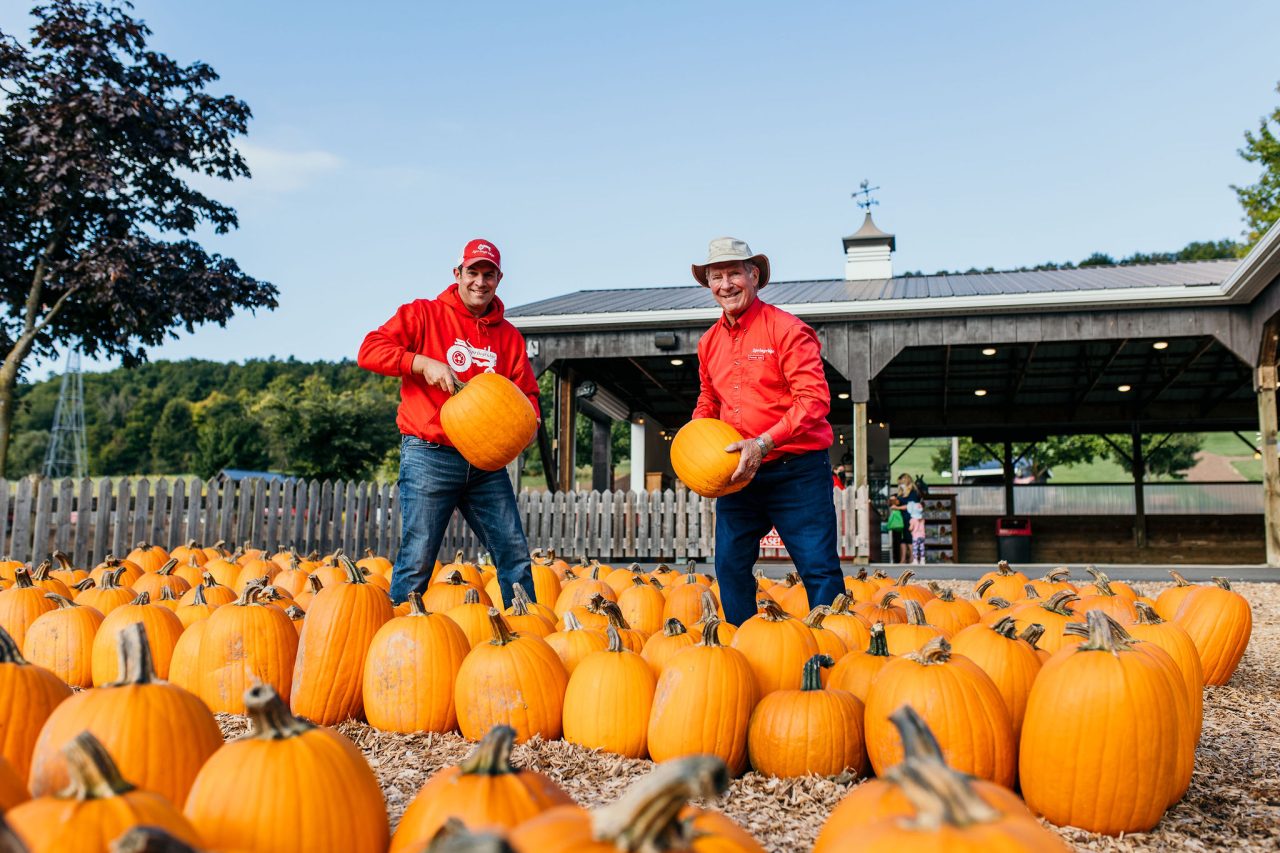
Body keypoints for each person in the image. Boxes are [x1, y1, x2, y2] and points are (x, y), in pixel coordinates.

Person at [357, 238, 539, 606]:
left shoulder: (508, 337)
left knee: (514, 553)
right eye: (472, 272)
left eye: (489, 275)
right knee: (418, 556)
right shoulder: (423, 314)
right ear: (457, 274)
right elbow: (369, 350)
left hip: (486, 462)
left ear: (498, 280)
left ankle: (527, 625)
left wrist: (528, 424)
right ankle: (400, 634)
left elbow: (527, 395)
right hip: (430, 454)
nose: (480, 281)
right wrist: (420, 363)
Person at [689, 236, 844, 627]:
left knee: (818, 568)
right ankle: (746, 644)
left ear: (754, 275)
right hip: (739, 475)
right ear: (709, 284)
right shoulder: (708, 343)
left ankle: (834, 651)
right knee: (729, 566)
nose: (726, 284)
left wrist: (764, 442)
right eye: (716, 276)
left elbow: (813, 401)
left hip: (797, 470)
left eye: (734, 274)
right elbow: (709, 400)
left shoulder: (787, 330)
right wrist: (694, 439)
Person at [887, 473, 920, 564]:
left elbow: (911, 506)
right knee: (902, 539)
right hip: (901, 519)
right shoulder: (901, 493)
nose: (900, 485)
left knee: (909, 538)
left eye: (901, 483)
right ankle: (903, 559)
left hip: (910, 518)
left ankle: (913, 558)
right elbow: (898, 502)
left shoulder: (913, 493)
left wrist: (897, 507)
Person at [908, 499, 926, 564]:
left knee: (915, 548)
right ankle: (922, 560)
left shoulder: (912, 520)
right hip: (922, 536)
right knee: (922, 548)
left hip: (915, 536)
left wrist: (909, 528)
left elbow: (911, 528)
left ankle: (915, 560)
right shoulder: (923, 519)